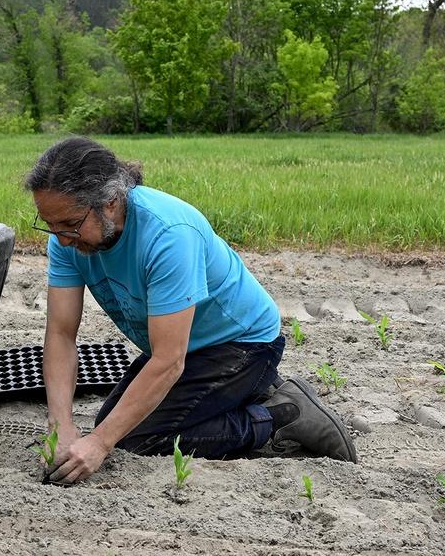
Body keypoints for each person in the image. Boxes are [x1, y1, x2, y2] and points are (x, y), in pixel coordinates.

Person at [24, 137, 357, 485]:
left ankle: (279, 416)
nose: (61, 239)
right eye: (50, 224)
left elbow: (169, 361)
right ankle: (250, 390)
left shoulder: (168, 234)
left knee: (132, 438)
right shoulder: (66, 236)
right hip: (186, 346)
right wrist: (60, 425)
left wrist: (99, 442)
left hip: (243, 344)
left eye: (70, 224)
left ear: (110, 202)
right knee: (112, 422)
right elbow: (61, 334)